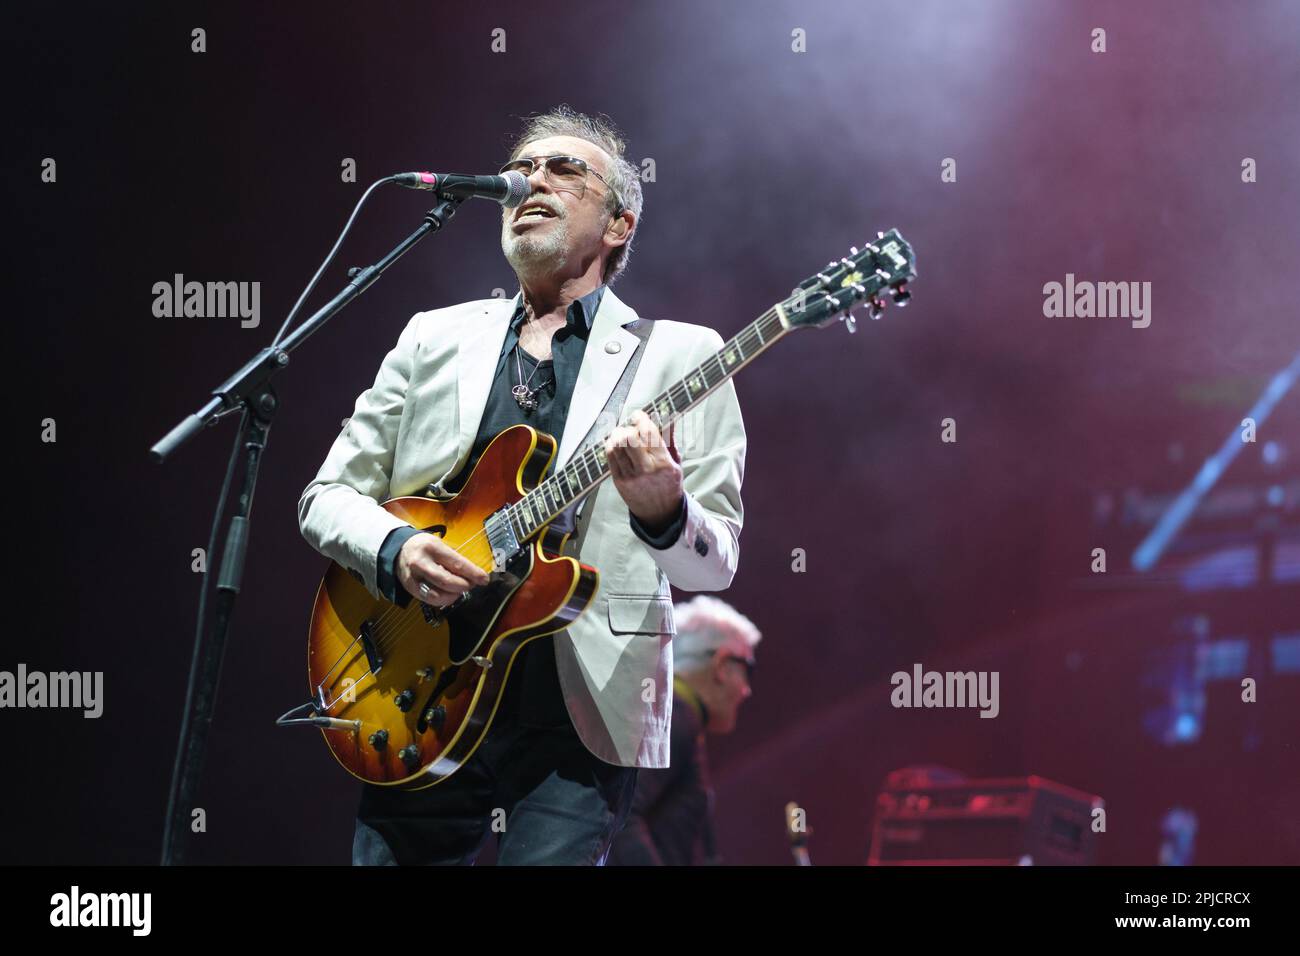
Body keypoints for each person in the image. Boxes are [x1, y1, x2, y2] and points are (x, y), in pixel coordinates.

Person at [297, 106, 746, 865]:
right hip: (416, 691)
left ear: (619, 225)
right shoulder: (432, 337)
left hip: (580, 716)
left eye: (565, 170)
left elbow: (715, 564)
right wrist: (398, 547)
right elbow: (326, 496)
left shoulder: (682, 357)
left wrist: (664, 509)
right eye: (524, 167)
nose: (532, 179)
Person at [608, 596, 760, 865]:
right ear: (722, 665)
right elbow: (621, 815)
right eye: (747, 669)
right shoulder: (675, 716)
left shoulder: (666, 712)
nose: (747, 690)